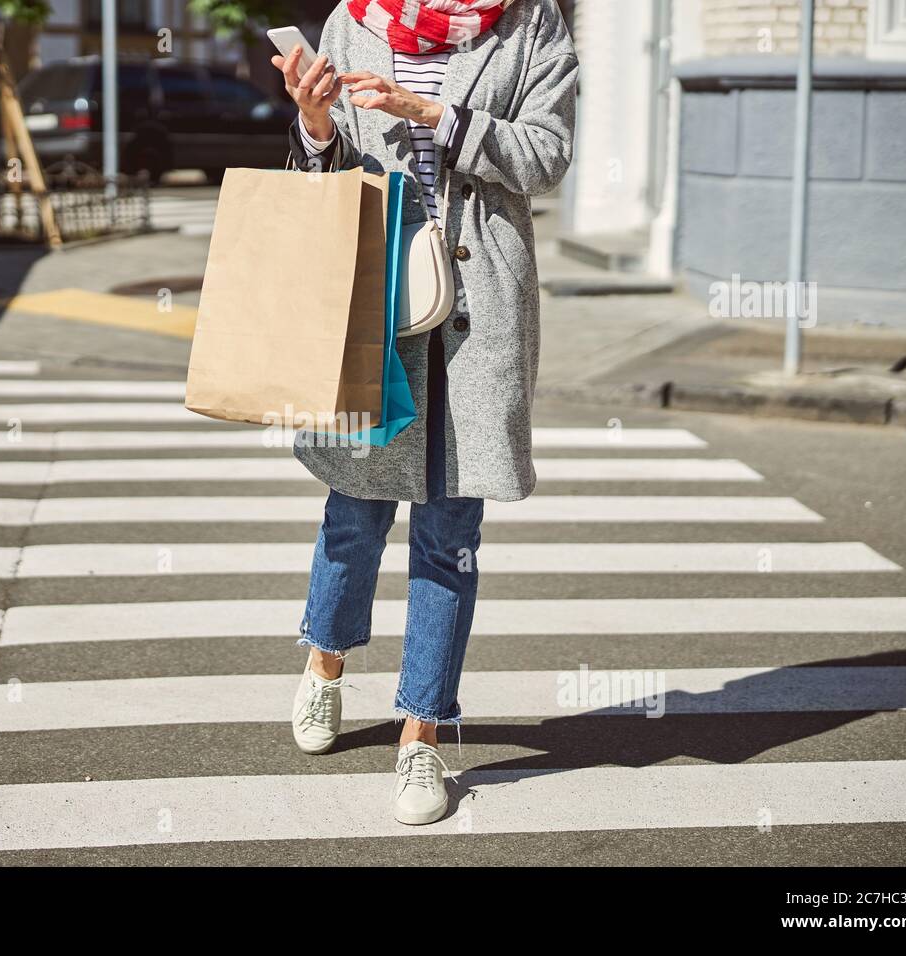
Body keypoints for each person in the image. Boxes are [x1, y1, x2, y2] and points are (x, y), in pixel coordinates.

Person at [273, 0, 578, 826]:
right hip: (372, 297)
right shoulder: (353, 19)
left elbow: (547, 157)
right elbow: (326, 173)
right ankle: (326, 663)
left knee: (451, 532)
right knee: (355, 513)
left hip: (478, 309)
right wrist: (313, 125)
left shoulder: (532, 24)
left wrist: (436, 116)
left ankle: (423, 732)